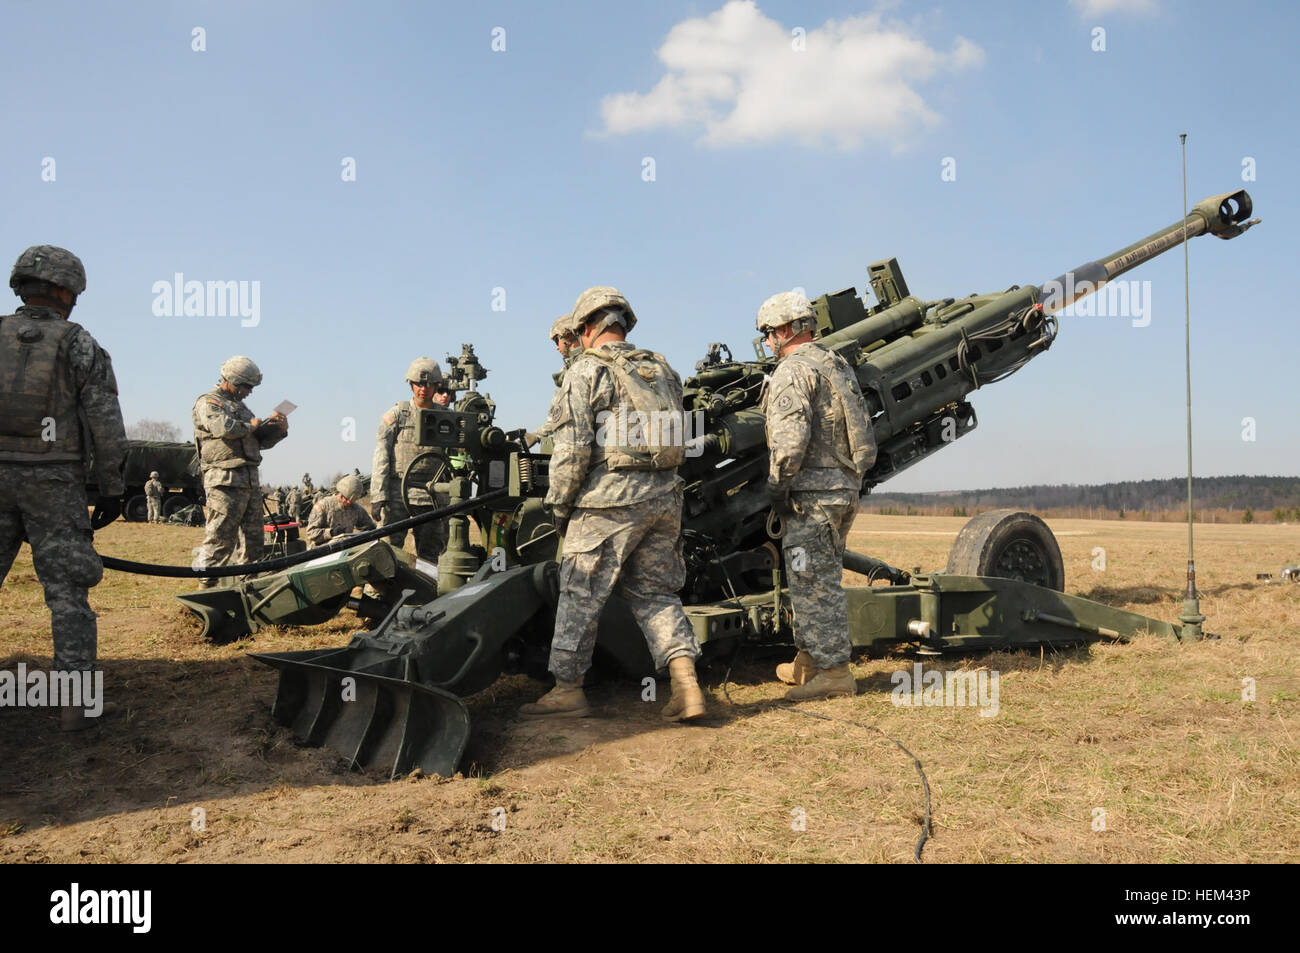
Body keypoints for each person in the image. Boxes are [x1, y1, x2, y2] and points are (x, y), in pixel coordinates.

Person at [523, 286, 705, 721]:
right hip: (664, 498)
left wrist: (560, 506)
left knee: (580, 591)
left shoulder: (586, 371)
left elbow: (571, 451)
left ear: (586, 328)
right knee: (656, 594)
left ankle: (568, 689)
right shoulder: (661, 368)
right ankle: (687, 688)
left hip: (608, 502)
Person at [0, 245, 128, 730]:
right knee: (68, 594)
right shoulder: (80, 344)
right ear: (64, 291)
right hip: (53, 480)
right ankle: (76, 707)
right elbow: (106, 424)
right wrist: (112, 486)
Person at [757, 291, 877, 700]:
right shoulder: (834, 363)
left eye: (771, 333)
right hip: (842, 490)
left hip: (813, 497)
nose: (769, 341)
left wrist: (775, 488)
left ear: (788, 330)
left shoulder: (793, 371)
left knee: (816, 583)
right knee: (806, 577)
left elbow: (789, 446)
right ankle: (808, 660)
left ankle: (834, 672)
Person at [191, 356, 288, 587]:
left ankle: (249, 589)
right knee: (220, 539)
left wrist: (276, 429)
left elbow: (257, 441)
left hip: (250, 483)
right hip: (224, 482)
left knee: (254, 541)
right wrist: (251, 426)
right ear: (233, 381)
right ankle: (206, 591)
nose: (249, 392)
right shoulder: (209, 402)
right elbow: (223, 428)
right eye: (247, 387)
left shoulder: (241, 408)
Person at [371, 358, 452, 561]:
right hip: (398, 493)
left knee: (431, 558)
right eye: (419, 383)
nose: (423, 389)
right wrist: (378, 495)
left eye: (429, 384)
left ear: (436, 386)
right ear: (411, 384)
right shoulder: (398, 414)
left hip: (431, 495)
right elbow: (381, 454)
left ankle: (428, 593)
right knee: (385, 554)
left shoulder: (447, 417)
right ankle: (377, 594)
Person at [304, 474, 376, 546]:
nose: (348, 502)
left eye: (352, 500)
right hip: (323, 549)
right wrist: (331, 533)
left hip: (346, 548)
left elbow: (369, 527)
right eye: (346, 499)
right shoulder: (323, 506)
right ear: (339, 493)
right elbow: (310, 533)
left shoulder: (355, 508)